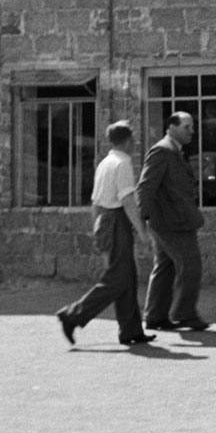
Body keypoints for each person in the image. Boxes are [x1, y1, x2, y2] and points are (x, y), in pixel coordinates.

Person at [55, 120, 155, 346]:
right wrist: (142, 231)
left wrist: (97, 227)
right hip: (117, 220)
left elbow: (95, 201)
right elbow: (128, 201)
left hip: (104, 218)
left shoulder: (105, 163)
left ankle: (130, 329)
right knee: (118, 279)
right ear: (129, 140)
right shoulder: (123, 163)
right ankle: (73, 314)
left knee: (126, 277)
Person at [137, 111, 208, 331]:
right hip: (171, 222)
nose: (191, 132)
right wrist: (142, 218)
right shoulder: (162, 150)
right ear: (171, 127)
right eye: (186, 127)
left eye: (192, 127)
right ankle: (184, 314)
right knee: (191, 266)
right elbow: (146, 186)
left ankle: (156, 316)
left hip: (173, 219)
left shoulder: (174, 151)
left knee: (165, 268)